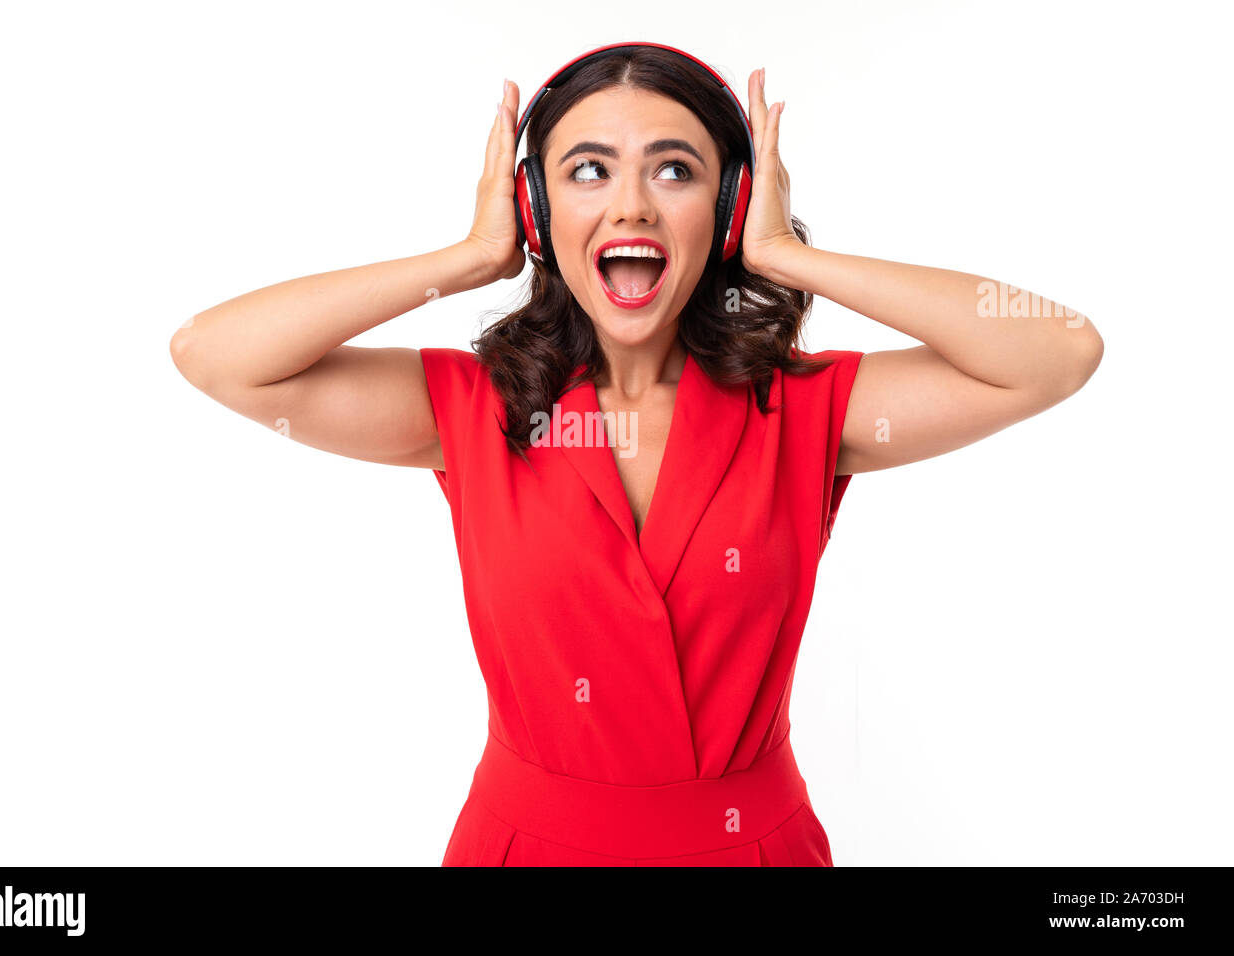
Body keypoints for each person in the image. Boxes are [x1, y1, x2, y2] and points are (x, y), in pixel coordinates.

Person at [170, 42, 1103, 866]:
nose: (631, 207)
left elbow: (1058, 355)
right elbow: (215, 355)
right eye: (585, 171)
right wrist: (465, 258)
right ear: (535, 209)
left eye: (674, 171)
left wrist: (786, 255)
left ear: (727, 205)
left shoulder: (807, 410)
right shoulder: (474, 409)